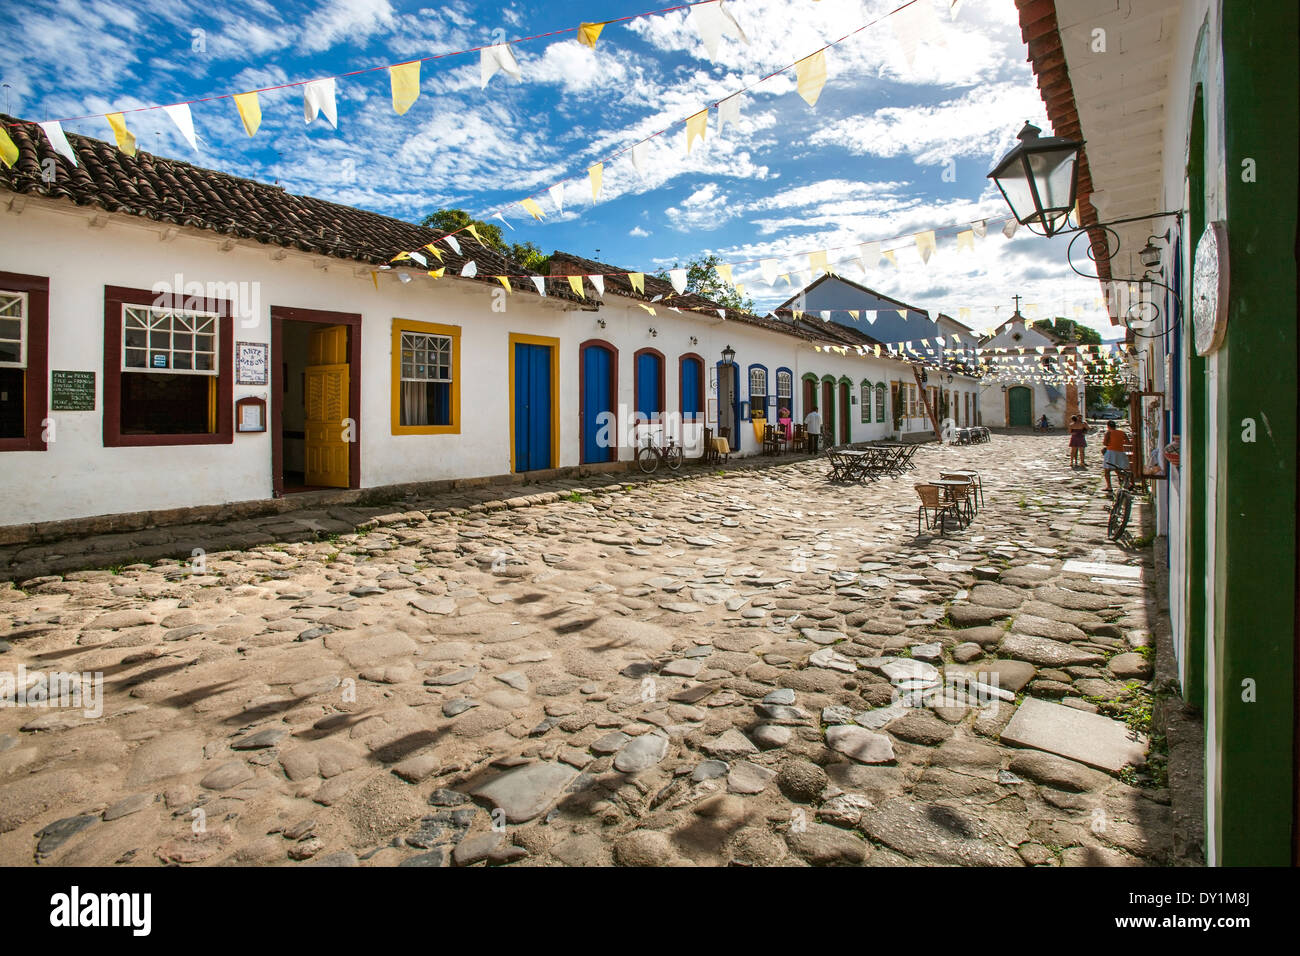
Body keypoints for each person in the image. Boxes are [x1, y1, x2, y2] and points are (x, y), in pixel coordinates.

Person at [1102, 421, 1130, 492]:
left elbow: (1105, 443)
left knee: (1107, 470)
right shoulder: (1122, 432)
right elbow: (1127, 441)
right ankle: (1128, 483)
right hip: (1120, 451)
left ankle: (1109, 486)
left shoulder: (1109, 433)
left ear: (1108, 426)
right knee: (1118, 469)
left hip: (1111, 452)